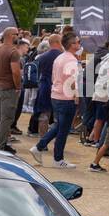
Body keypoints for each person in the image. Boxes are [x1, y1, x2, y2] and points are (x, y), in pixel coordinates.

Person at [32, 32, 82, 169]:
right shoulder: (70, 60)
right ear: (72, 45)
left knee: (59, 126)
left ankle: (40, 147)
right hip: (66, 97)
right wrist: (76, 95)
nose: (79, 44)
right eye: (77, 42)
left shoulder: (61, 57)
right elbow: (72, 81)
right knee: (62, 129)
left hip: (57, 95)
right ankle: (57, 158)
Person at [0, 29, 22, 153]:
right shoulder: (13, 51)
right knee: (6, 118)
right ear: (11, 36)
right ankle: (0, 146)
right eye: (17, 34)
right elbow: (16, 72)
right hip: (8, 88)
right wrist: (18, 86)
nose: (19, 36)